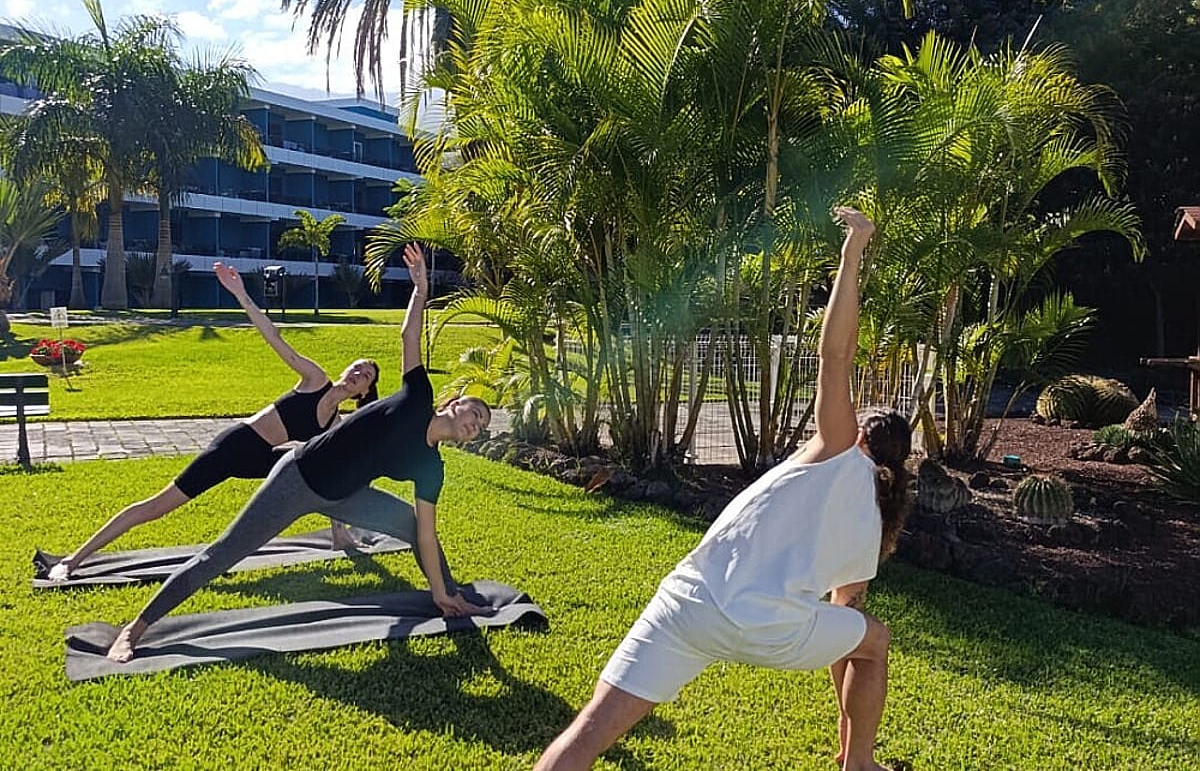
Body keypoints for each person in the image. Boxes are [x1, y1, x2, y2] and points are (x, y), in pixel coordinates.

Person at [533, 207, 913, 771]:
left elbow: (836, 354)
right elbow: (847, 640)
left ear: (860, 433)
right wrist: (846, 733)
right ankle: (857, 764)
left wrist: (851, 255)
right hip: (774, 629)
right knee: (874, 641)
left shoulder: (836, 445)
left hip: (689, 603)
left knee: (589, 732)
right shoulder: (874, 525)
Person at [105, 243, 493, 662]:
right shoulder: (417, 396)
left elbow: (425, 535)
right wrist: (419, 290)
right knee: (224, 553)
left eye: (482, 426)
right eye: (474, 412)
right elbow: (408, 335)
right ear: (452, 405)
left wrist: (439, 592)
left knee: (411, 524)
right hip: (299, 477)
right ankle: (135, 629)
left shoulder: (432, 468)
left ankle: (449, 595)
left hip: (346, 497)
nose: (475, 423)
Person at [46, 262, 380, 582]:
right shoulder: (314, 378)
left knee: (331, 473)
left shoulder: (334, 423)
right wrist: (240, 294)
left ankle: (341, 536)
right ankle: (71, 560)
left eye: (365, 375)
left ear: (363, 391)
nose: (357, 373)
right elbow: (274, 337)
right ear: (345, 369)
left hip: (266, 459)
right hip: (234, 447)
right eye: (357, 366)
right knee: (156, 507)